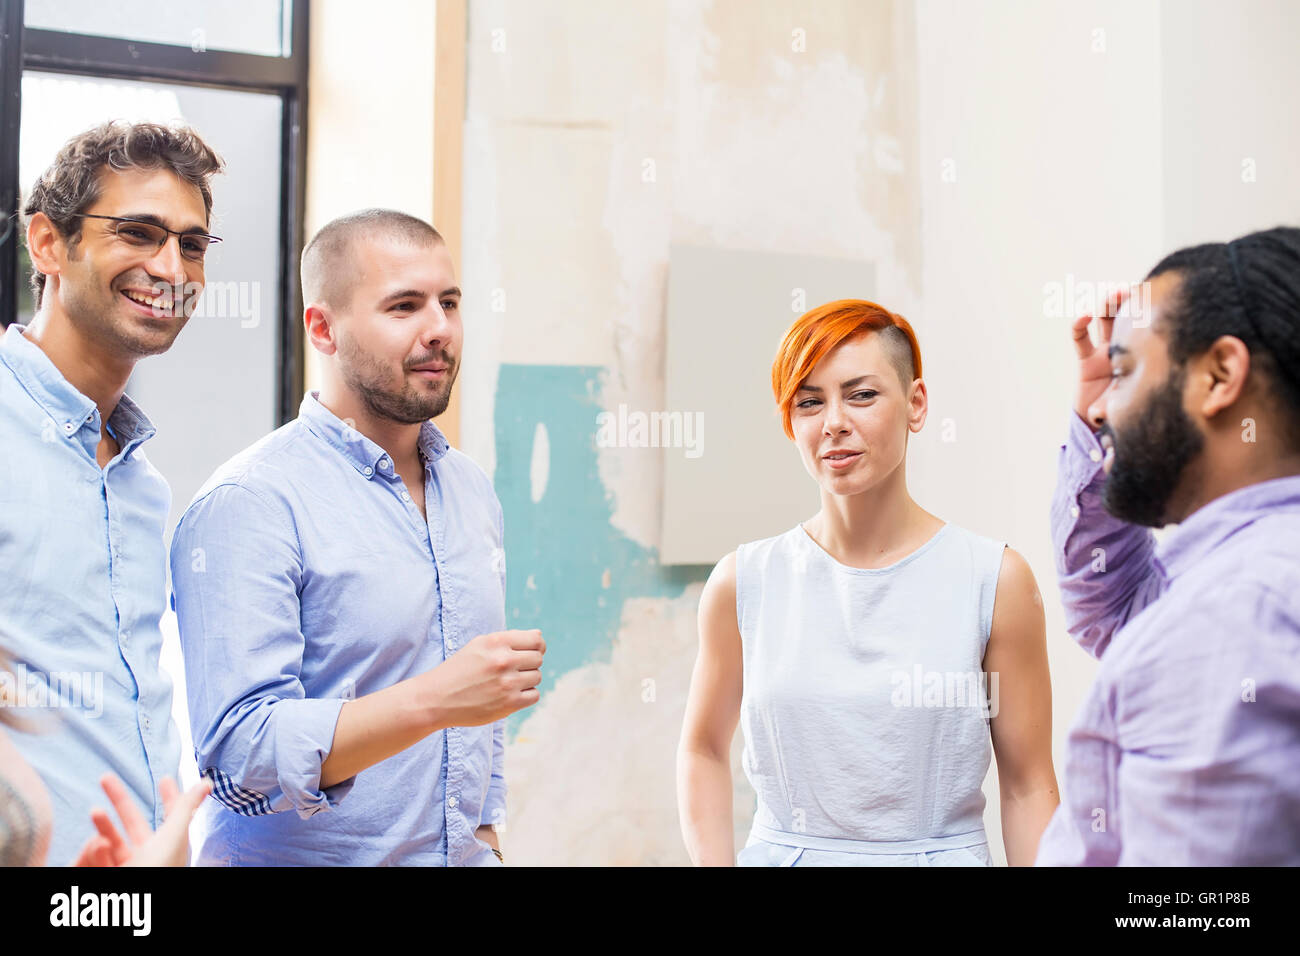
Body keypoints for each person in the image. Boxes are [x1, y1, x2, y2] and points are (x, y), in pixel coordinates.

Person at [169, 209, 544, 865]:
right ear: (323, 328)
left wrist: (485, 836)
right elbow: (238, 758)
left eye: (449, 303)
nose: (440, 330)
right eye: (404, 306)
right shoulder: (250, 503)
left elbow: (481, 719)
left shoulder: (470, 489)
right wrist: (434, 700)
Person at [678, 299, 1059, 866]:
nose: (834, 422)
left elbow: (1029, 785)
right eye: (810, 402)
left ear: (916, 404)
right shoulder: (744, 580)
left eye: (861, 394)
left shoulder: (994, 580)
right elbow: (703, 749)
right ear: (791, 423)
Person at [1036, 226, 1300, 865]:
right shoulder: (1245, 568)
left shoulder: (1231, 616)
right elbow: (1120, 610)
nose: (1104, 413)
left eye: (1124, 371)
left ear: (1218, 376)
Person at [0, 121, 224, 865]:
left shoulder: (140, 484)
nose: (171, 266)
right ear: (48, 244)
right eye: (139, 232)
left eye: (191, 244)